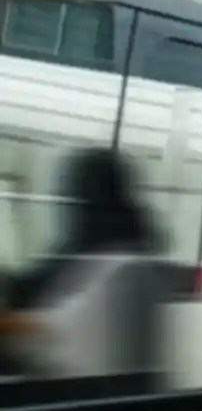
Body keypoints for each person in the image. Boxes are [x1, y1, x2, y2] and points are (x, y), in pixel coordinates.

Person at [0, 147, 162, 380]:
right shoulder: (89, 252)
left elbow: (62, 331)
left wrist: (11, 325)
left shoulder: (129, 266)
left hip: (100, 399)